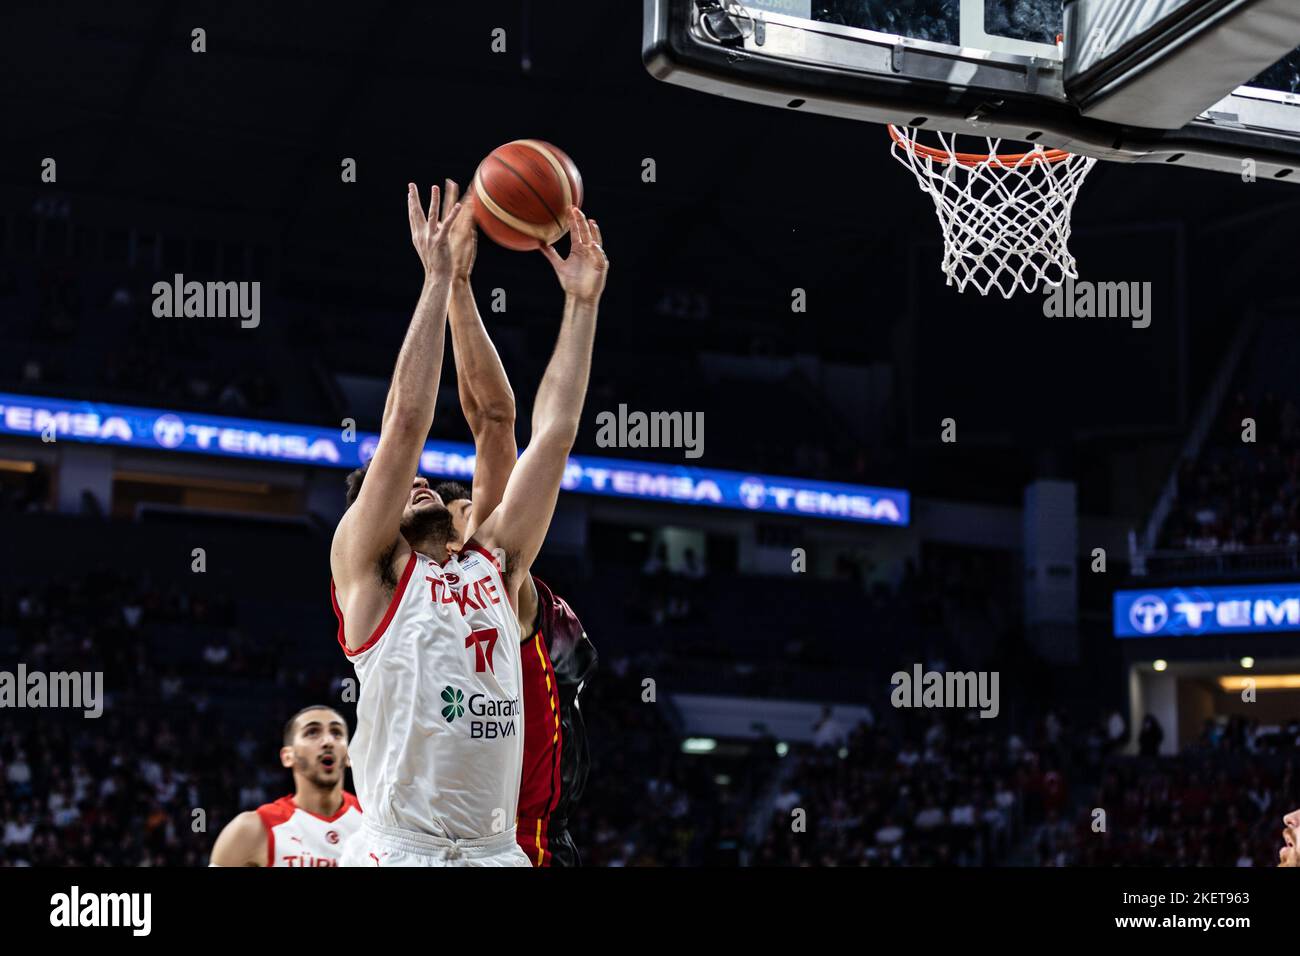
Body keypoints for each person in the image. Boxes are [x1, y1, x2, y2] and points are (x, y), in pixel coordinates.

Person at [330, 181, 607, 867]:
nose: (418, 480)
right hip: (401, 852)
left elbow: (548, 431)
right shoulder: (368, 579)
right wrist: (439, 278)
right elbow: (404, 425)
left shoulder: (496, 566)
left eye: (424, 481)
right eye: (395, 487)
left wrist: (581, 306)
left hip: (495, 853)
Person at [436, 200, 597, 866]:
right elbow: (549, 434)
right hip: (488, 838)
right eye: (469, 506)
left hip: (508, 835)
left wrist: (456, 286)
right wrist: (581, 307)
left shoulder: (486, 571)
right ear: (451, 538)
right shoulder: (480, 573)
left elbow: (495, 421)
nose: (488, 503)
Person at [209, 705, 361, 867]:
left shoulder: (375, 823)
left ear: (349, 755)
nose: (328, 741)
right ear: (288, 757)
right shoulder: (251, 830)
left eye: (336, 733)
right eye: (312, 732)